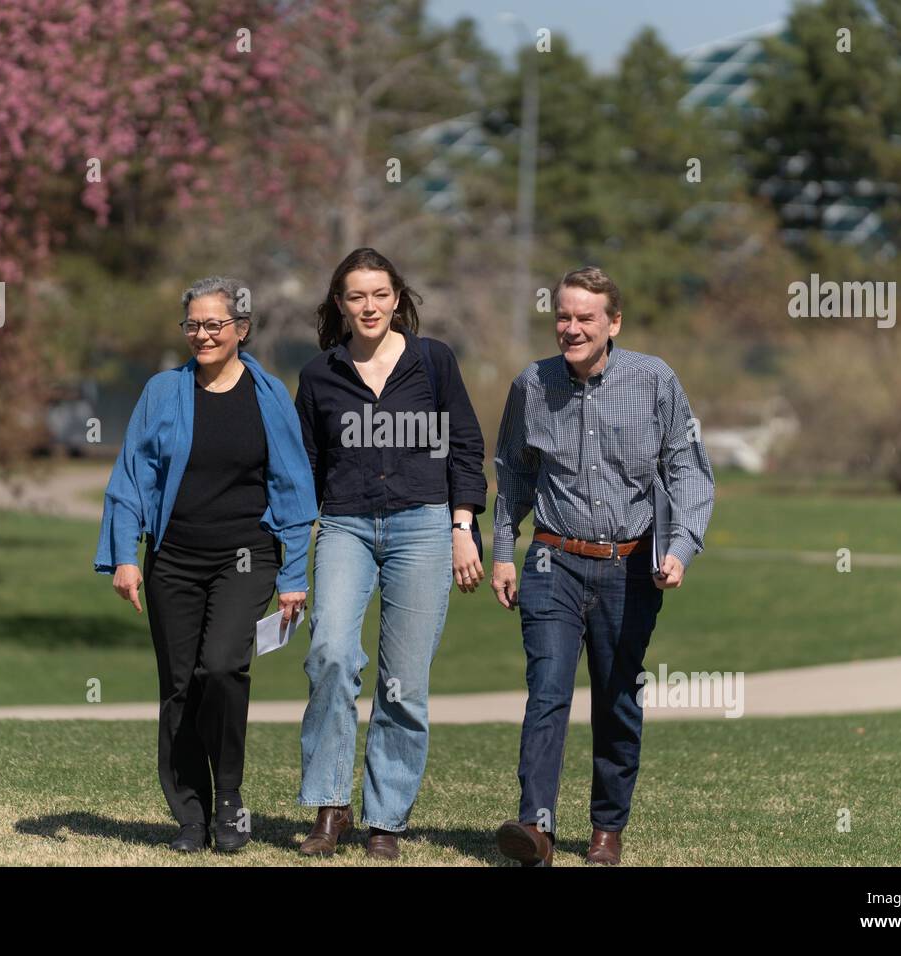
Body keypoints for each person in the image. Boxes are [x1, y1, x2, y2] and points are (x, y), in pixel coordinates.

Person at [491, 266, 715, 866]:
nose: (571, 328)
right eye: (563, 316)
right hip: (552, 560)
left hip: (630, 565)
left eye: (585, 317)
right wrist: (504, 552)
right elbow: (512, 471)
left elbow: (689, 470)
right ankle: (535, 829)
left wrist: (680, 548)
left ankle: (606, 830)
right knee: (547, 692)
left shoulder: (654, 381)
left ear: (613, 322)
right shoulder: (532, 385)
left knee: (617, 697)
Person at [93, 276, 316, 854]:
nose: (202, 334)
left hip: (245, 555)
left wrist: (294, 576)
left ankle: (230, 800)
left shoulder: (268, 396)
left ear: (241, 329)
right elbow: (132, 477)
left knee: (221, 668)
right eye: (193, 324)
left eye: (214, 324)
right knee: (178, 684)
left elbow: (293, 488)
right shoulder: (162, 392)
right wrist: (125, 554)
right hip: (174, 558)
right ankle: (190, 813)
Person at [293, 247, 487, 860]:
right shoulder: (319, 374)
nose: (369, 306)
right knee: (329, 654)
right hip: (346, 526)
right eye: (356, 296)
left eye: (380, 294)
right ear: (340, 305)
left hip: (424, 526)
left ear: (398, 298)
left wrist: (463, 528)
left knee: (404, 682)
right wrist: (293, 554)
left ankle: (387, 819)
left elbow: (465, 447)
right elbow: (305, 471)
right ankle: (331, 806)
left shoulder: (434, 363)